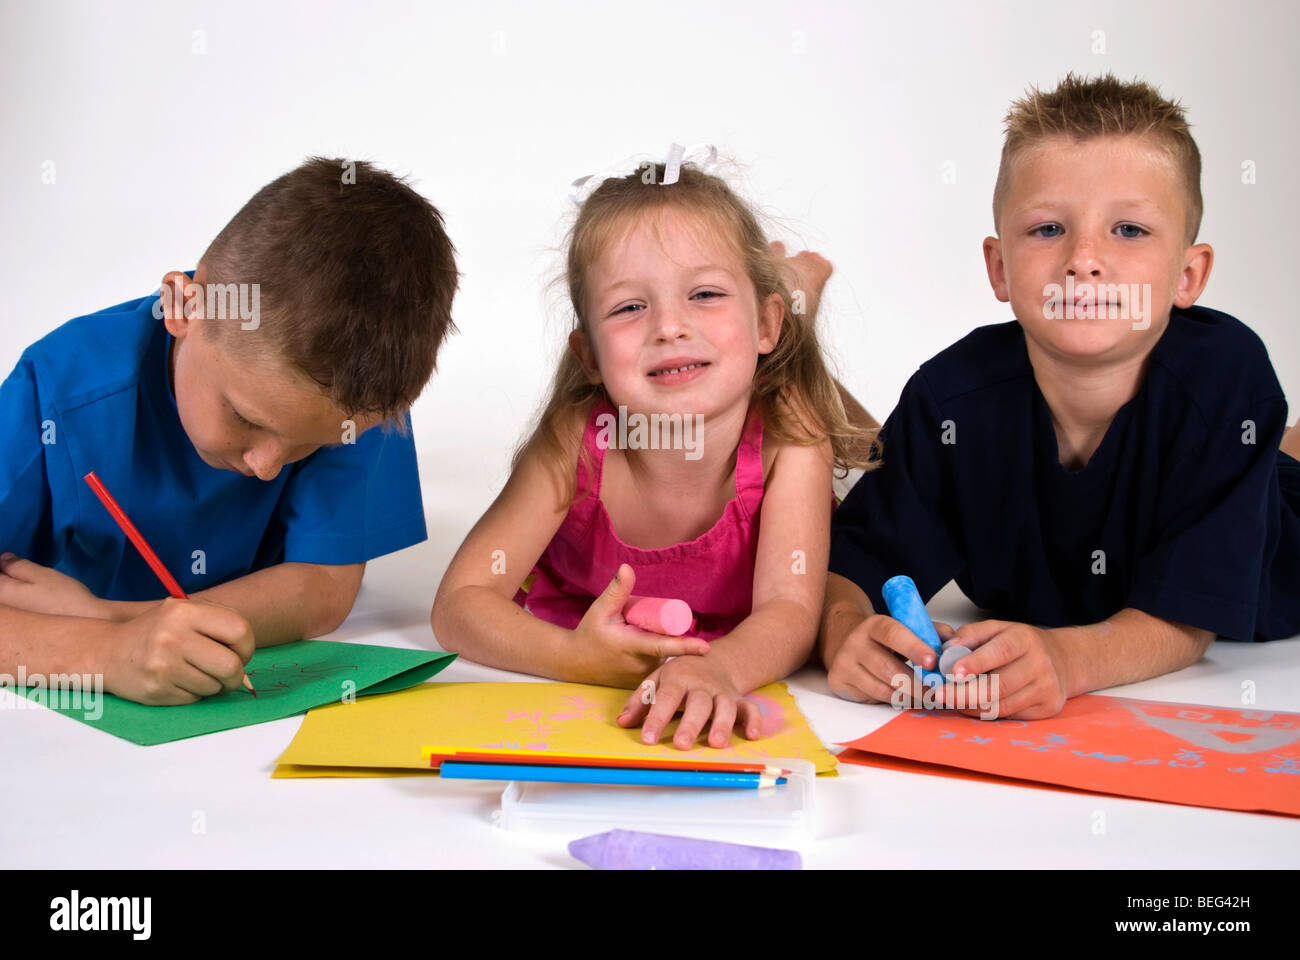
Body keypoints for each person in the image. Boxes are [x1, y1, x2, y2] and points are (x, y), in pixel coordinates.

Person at [822, 74, 1300, 720]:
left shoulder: (1226, 378)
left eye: (1129, 230)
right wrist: (845, 633)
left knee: (1283, 469)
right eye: (1047, 229)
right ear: (999, 268)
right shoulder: (951, 400)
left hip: (1279, 529)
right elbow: (849, 567)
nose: (1084, 260)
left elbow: (1186, 624)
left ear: (1189, 276)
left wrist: (1065, 661)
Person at [433, 152, 876, 748]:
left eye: (706, 293)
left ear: (763, 324)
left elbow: (792, 611)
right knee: (742, 353)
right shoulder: (577, 438)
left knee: (881, 454)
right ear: (589, 356)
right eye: (629, 307)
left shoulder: (791, 438)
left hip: (778, 379)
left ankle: (793, 299)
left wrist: (720, 668)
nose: (668, 326)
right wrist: (573, 656)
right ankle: (767, 290)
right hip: (750, 337)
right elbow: (460, 603)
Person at [0, 157, 458, 704]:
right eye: (247, 419)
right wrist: (100, 653)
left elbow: (322, 588)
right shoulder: (58, 390)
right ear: (182, 306)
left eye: (311, 443)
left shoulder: (354, 396)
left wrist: (113, 617)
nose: (267, 466)